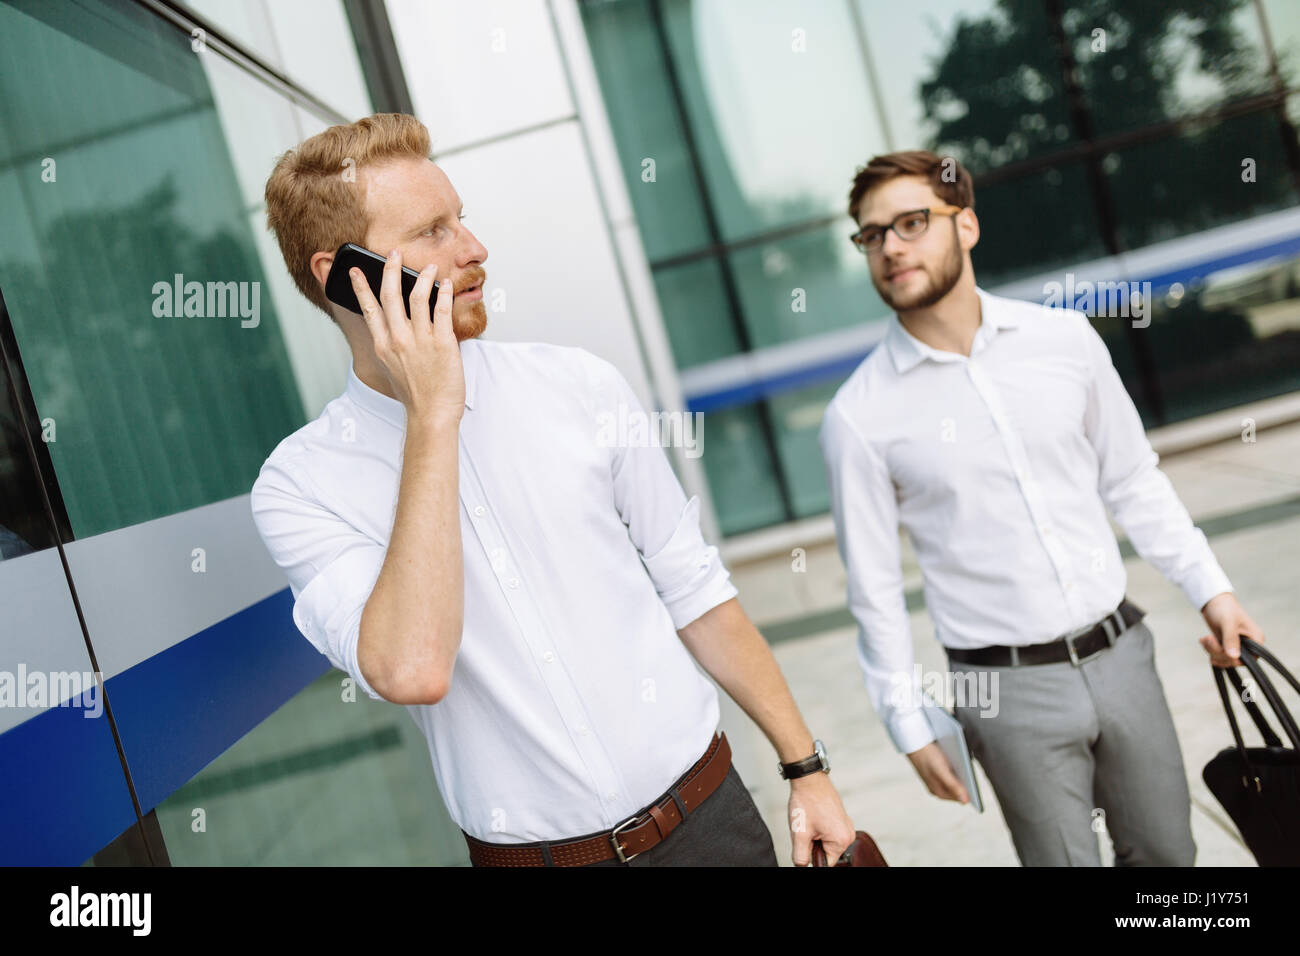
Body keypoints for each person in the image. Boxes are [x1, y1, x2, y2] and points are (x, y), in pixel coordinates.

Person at [250, 113, 856, 867]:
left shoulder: (578, 384)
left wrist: (808, 771)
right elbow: (412, 668)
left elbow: (695, 592)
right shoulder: (300, 486)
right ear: (343, 275)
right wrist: (433, 417)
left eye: (461, 220)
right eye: (432, 232)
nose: (474, 250)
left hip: (712, 825)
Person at [819, 149, 1266, 866]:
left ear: (965, 225)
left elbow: (1131, 479)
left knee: (1168, 861)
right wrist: (908, 721)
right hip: (1001, 688)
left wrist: (1211, 588)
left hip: (1122, 653)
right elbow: (872, 590)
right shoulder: (859, 417)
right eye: (873, 235)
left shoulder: (1063, 341)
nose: (891, 247)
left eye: (911, 223)